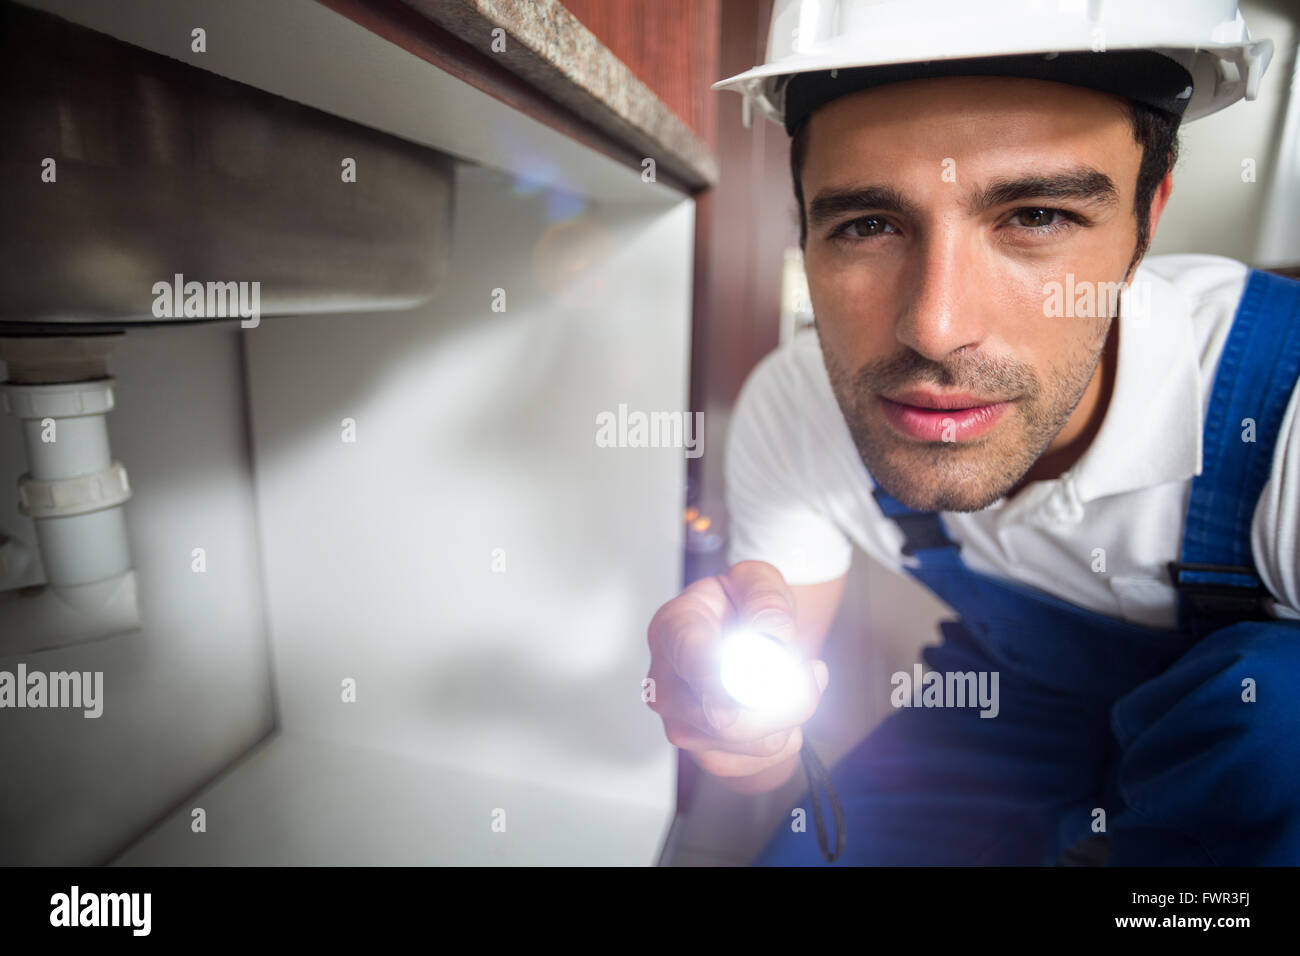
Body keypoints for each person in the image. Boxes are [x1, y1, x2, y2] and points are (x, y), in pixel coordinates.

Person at [645, 0, 1300, 865]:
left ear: (1147, 222)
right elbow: (766, 741)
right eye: (868, 226)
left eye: (1036, 217)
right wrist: (732, 727)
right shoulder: (802, 405)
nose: (934, 327)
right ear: (803, 228)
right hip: (1013, 700)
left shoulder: (1281, 410)